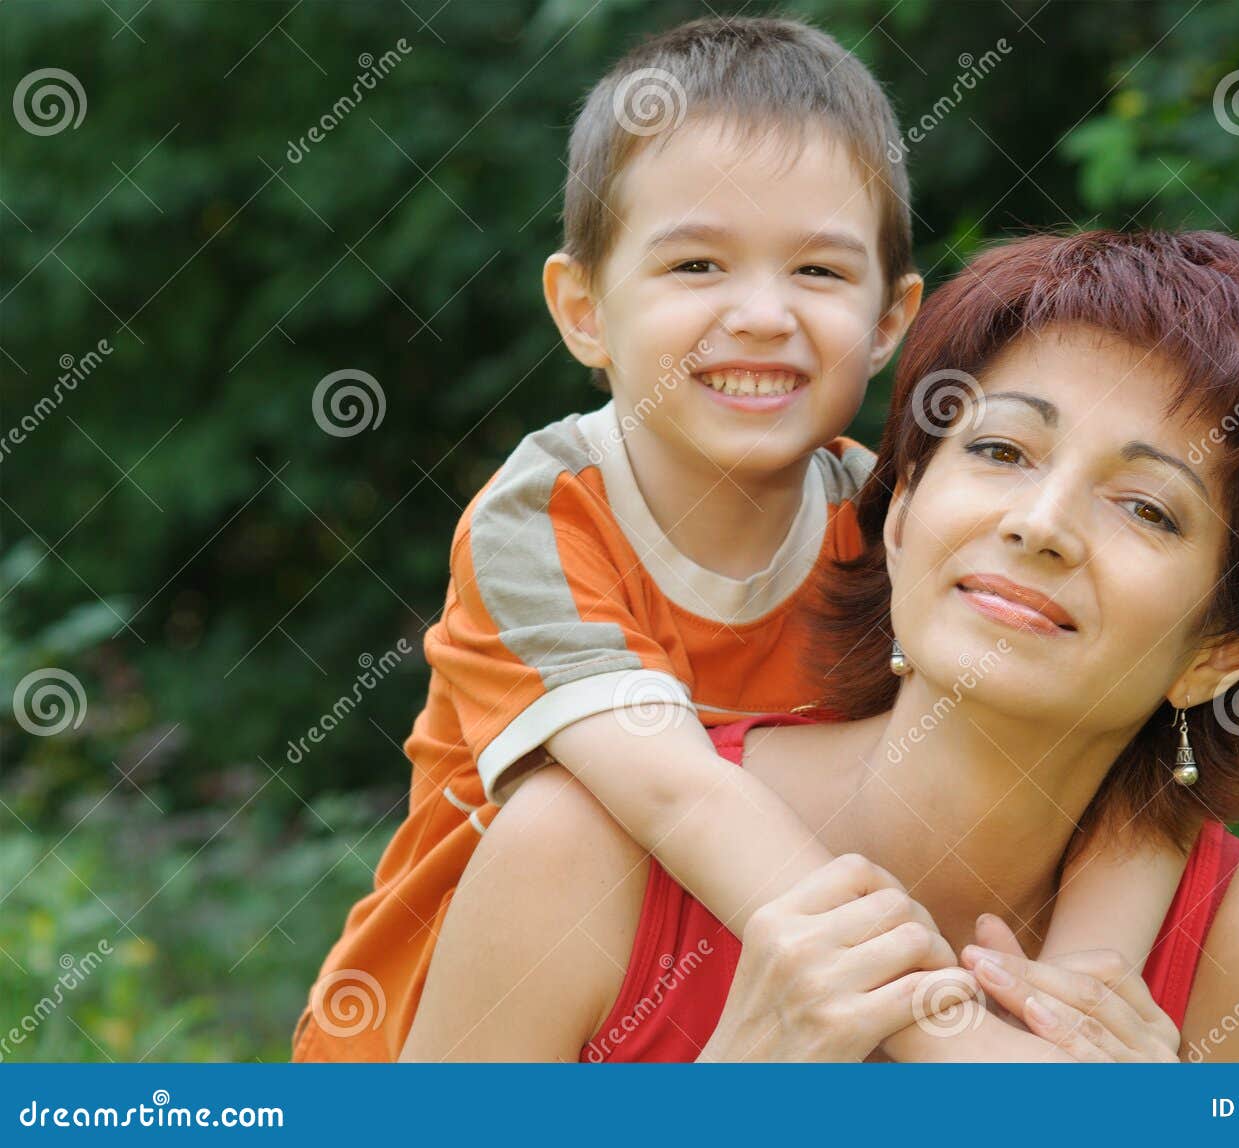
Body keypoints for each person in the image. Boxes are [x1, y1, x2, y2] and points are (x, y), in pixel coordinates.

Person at [295, 17, 1181, 1063]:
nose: (761, 313)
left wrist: (1071, 996)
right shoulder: (544, 519)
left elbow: (1121, 754)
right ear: (583, 309)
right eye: (698, 263)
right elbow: (679, 795)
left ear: (891, 318)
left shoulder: (890, 520)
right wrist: (979, 1054)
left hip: (734, 1017)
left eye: (817, 272)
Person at [400, 229, 1239, 1062]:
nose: (1039, 523)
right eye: (1000, 451)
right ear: (904, 514)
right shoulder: (581, 852)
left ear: (1219, 648)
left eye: (1144, 507)